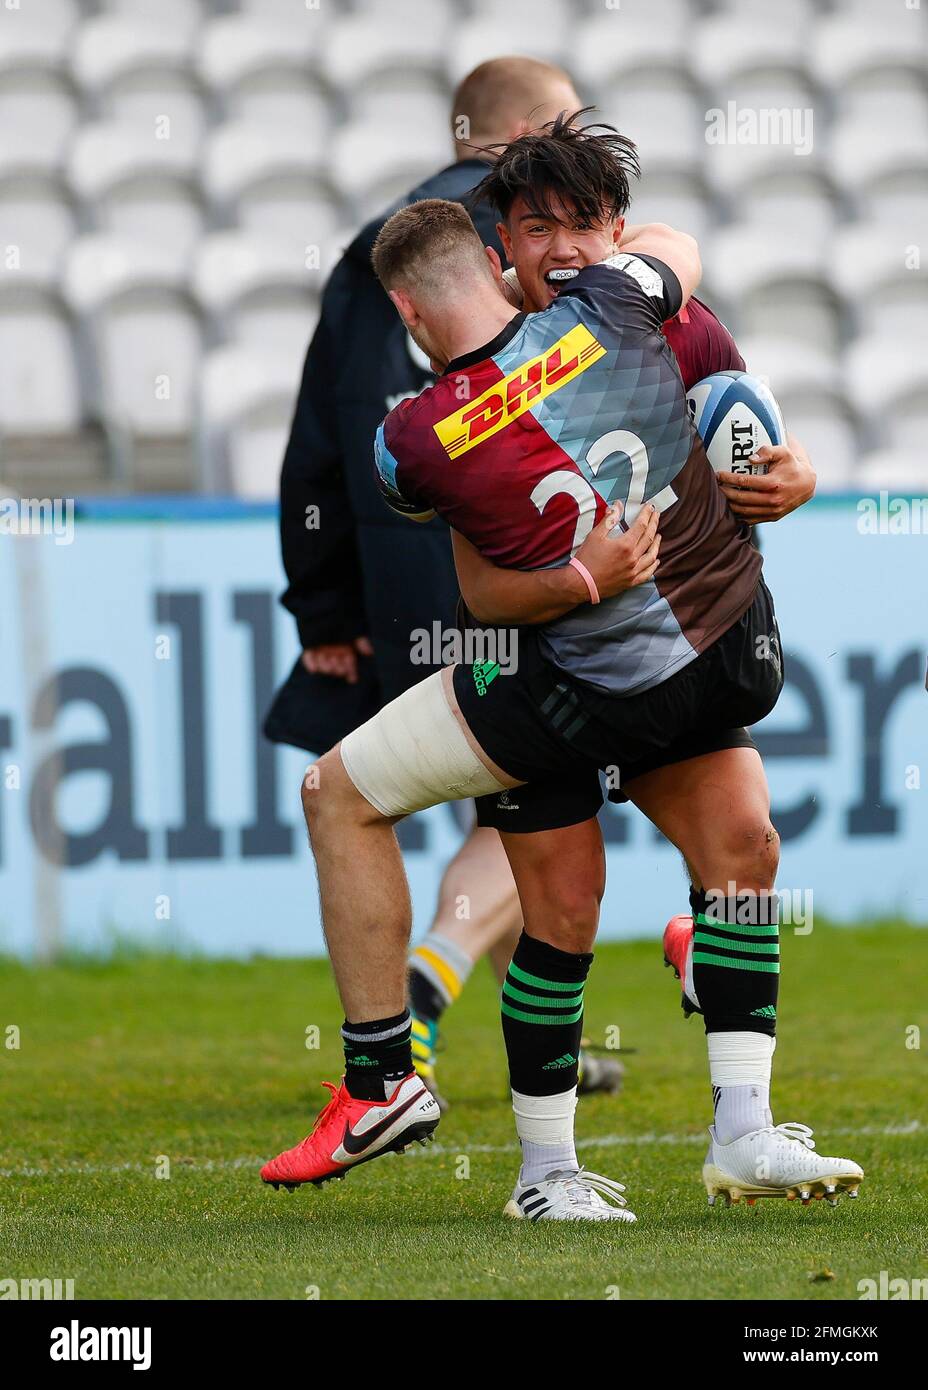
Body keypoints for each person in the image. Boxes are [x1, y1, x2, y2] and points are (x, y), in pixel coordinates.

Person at [261, 115, 862, 1219]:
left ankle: (742, 1133)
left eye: (587, 224)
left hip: (677, 657)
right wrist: (580, 579)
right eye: (540, 227)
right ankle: (545, 1173)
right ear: (500, 252)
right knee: (563, 905)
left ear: (615, 230)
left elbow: (754, 435)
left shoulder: (658, 325)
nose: (567, 247)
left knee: (744, 844)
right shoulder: (535, 362)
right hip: (553, 675)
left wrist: (798, 474)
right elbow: (484, 594)